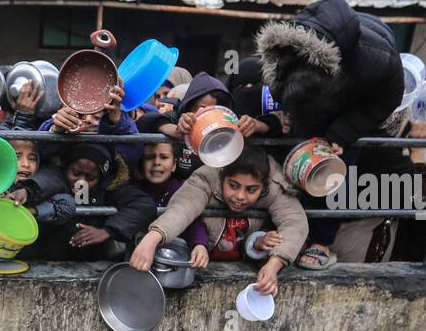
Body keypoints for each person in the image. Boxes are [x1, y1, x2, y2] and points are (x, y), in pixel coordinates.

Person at [129, 144, 308, 298]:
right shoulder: (207, 177)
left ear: (264, 187)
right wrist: (152, 238)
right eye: (233, 186)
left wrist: (273, 265)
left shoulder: (274, 186)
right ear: (222, 176)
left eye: (251, 189)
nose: (240, 196)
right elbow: (182, 208)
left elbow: (295, 221)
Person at [256, 0, 403, 150]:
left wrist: (343, 133)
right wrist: (288, 114)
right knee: (299, 144)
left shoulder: (381, 62)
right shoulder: (280, 61)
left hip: (360, 86)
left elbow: (383, 103)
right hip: (326, 78)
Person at [15, 138, 157, 261]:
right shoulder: (57, 175)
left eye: (90, 177)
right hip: (47, 257)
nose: (81, 182)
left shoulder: (108, 188)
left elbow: (144, 204)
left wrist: (107, 231)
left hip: (91, 259)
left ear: (102, 178)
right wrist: (27, 190)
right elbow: (47, 180)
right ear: (66, 167)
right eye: (76, 173)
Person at [137, 72, 235, 180]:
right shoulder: (179, 120)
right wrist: (176, 131)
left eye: (213, 111)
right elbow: (147, 121)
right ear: (189, 107)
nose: (208, 116)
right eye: (203, 109)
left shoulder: (228, 129)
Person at [133, 141, 208, 268]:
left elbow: (191, 219)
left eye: (164, 157)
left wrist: (199, 244)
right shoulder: (133, 190)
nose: (157, 162)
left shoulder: (181, 188)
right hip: (137, 253)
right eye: (149, 157)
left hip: (170, 255)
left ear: (174, 165)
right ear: (141, 164)